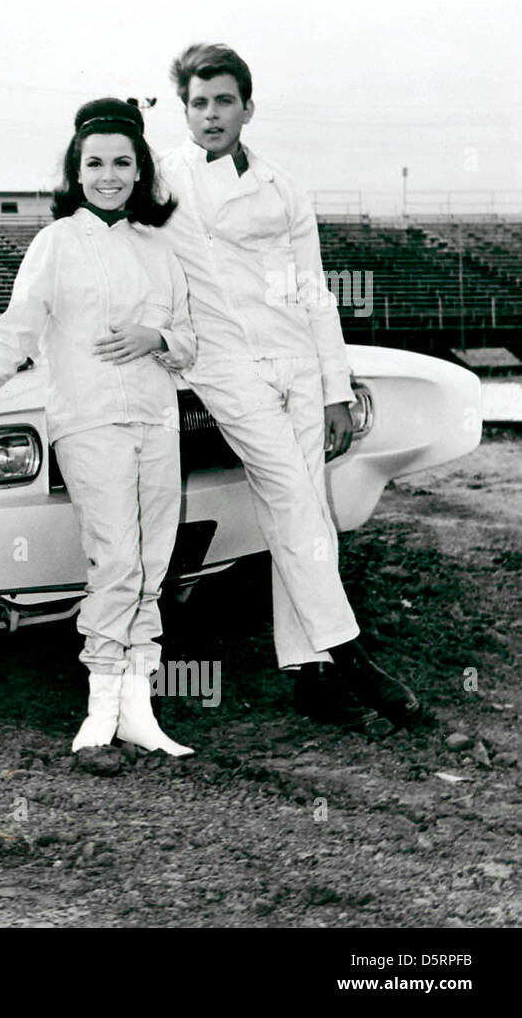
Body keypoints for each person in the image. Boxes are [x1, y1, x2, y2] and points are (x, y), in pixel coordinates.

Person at [0, 98, 196, 757]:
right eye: (95, 163)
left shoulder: (160, 246)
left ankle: (139, 712)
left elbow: (190, 343)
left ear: (140, 171)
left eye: (121, 163)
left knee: (153, 562)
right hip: (89, 422)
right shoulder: (56, 243)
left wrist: (152, 334)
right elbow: (16, 329)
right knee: (117, 559)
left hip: (156, 421)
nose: (108, 175)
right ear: (76, 170)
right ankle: (100, 709)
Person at [155, 42, 419, 727]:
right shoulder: (161, 183)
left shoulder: (283, 186)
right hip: (225, 368)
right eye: (197, 103)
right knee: (295, 501)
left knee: (303, 515)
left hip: (297, 363)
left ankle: (311, 675)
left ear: (247, 106)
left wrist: (334, 387)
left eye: (222, 101)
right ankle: (351, 652)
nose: (210, 115)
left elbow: (315, 292)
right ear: (183, 109)